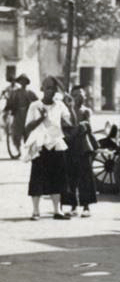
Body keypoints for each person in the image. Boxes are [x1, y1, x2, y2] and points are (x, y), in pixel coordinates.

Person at [25, 77, 71, 220]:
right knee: (37, 177)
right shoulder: (35, 105)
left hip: (56, 144)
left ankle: (57, 210)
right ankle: (35, 211)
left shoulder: (60, 105)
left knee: (57, 177)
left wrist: (70, 105)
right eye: (48, 87)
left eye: (53, 88)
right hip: (40, 144)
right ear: (42, 89)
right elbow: (28, 127)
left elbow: (70, 123)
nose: (50, 91)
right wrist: (41, 118)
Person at [61, 85, 96, 217]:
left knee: (85, 177)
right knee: (71, 177)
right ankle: (73, 205)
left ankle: (86, 206)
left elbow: (88, 128)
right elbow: (65, 127)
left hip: (83, 147)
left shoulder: (86, 111)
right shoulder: (66, 111)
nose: (79, 97)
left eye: (81, 95)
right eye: (76, 95)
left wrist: (81, 127)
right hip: (70, 146)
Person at [4, 73, 35, 140]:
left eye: (24, 81)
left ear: (26, 82)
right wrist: (8, 107)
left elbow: (37, 102)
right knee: (17, 134)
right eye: (21, 80)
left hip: (27, 114)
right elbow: (11, 102)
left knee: (27, 134)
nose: (23, 82)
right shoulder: (16, 92)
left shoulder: (30, 92)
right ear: (19, 82)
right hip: (18, 115)